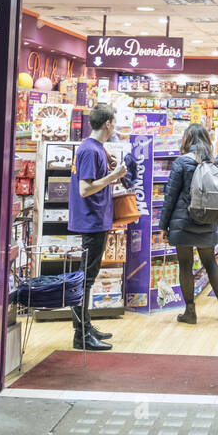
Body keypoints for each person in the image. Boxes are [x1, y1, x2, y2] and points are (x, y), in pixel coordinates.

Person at [159, 123, 218, 324]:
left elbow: (171, 196)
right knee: (210, 262)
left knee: (185, 265)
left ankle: (190, 312)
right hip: (208, 219)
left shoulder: (181, 162)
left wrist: (163, 226)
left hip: (183, 221)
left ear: (187, 139)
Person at [69, 103, 128, 351]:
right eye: (114, 122)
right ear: (107, 124)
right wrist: (113, 177)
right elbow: (85, 189)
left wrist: (112, 169)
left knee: (88, 277)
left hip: (97, 219)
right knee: (85, 279)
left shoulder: (96, 149)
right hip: (91, 220)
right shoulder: (89, 150)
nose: (115, 127)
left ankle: (86, 326)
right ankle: (81, 334)